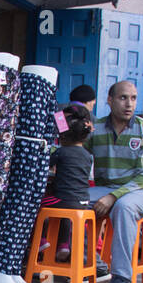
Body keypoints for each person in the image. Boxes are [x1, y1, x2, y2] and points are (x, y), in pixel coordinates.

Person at [88, 81, 143, 283]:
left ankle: (121, 277)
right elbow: (72, 147)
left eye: (134, 98)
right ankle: (94, 264)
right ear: (109, 100)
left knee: (124, 207)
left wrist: (112, 196)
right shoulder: (95, 129)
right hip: (105, 188)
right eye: (123, 98)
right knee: (73, 201)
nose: (129, 104)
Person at [36, 103, 94, 261]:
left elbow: (44, 164)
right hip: (83, 201)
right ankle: (63, 245)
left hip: (64, 199)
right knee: (67, 214)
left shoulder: (61, 152)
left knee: (35, 204)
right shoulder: (88, 156)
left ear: (62, 136)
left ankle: (40, 240)